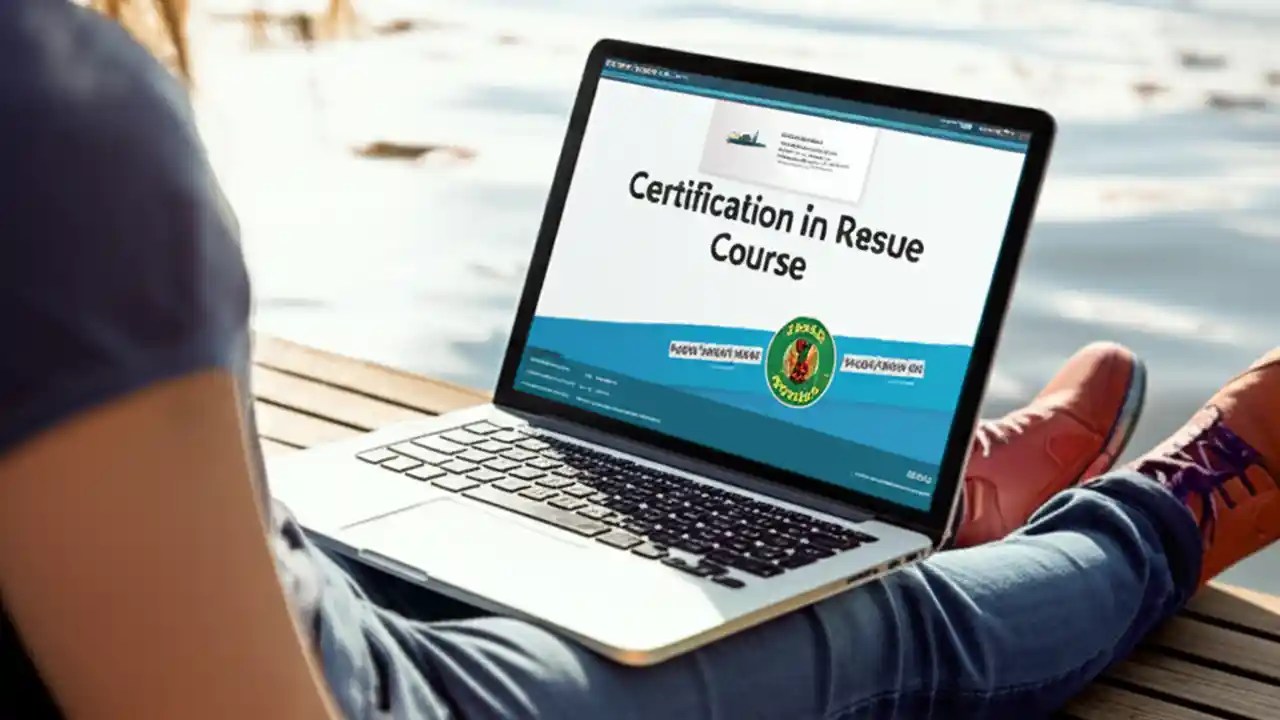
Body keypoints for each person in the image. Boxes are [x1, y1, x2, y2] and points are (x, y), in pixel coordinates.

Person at [1, 2, 1277, 718]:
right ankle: (1168, 511)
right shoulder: (59, 112)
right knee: (896, 626)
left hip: (184, 580)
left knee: (606, 523)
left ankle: (913, 497)